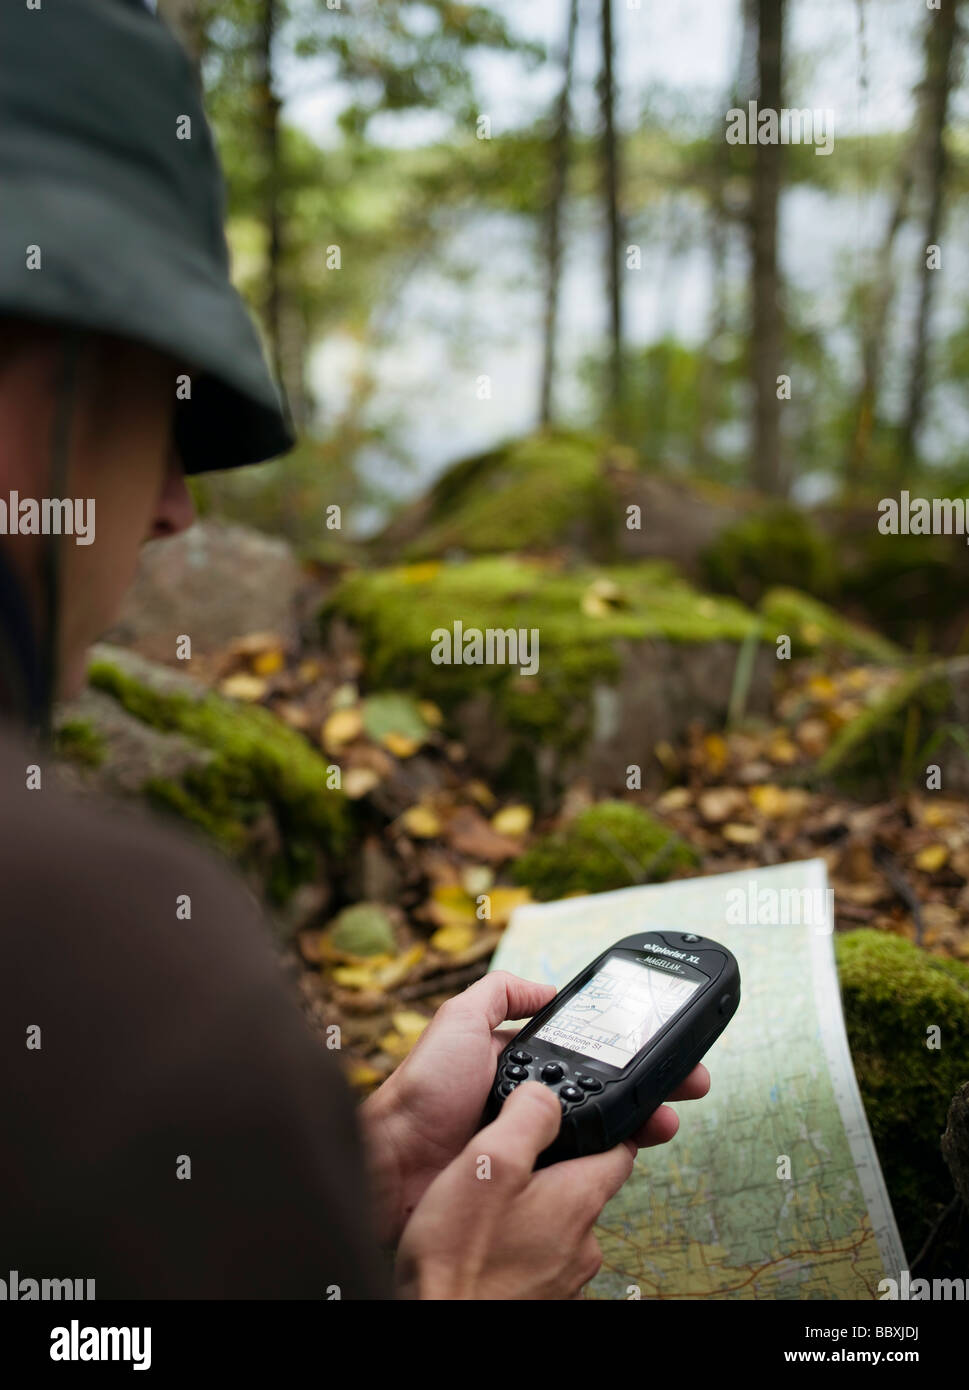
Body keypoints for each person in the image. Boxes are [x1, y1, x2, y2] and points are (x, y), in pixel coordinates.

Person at [0, 0, 710, 1300]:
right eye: (155, 402)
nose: (175, 504)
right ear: (32, 369)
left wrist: (348, 1176)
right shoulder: (100, 960)